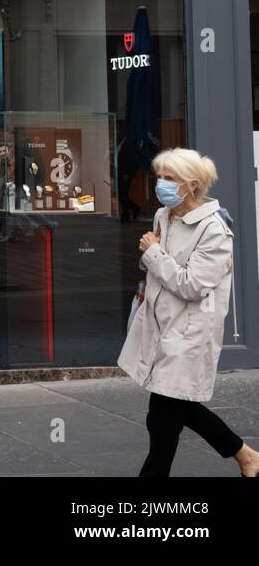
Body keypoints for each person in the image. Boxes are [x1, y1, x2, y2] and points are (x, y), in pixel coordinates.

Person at [117, 147, 259, 477]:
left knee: (163, 414)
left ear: (191, 184)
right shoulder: (164, 216)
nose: (160, 185)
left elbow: (192, 285)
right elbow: (157, 267)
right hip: (161, 324)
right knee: (175, 409)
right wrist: (149, 255)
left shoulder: (214, 229)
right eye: (159, 177)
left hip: (190, 332)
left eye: (169, 179)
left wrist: (152, 253)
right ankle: (246, 456)